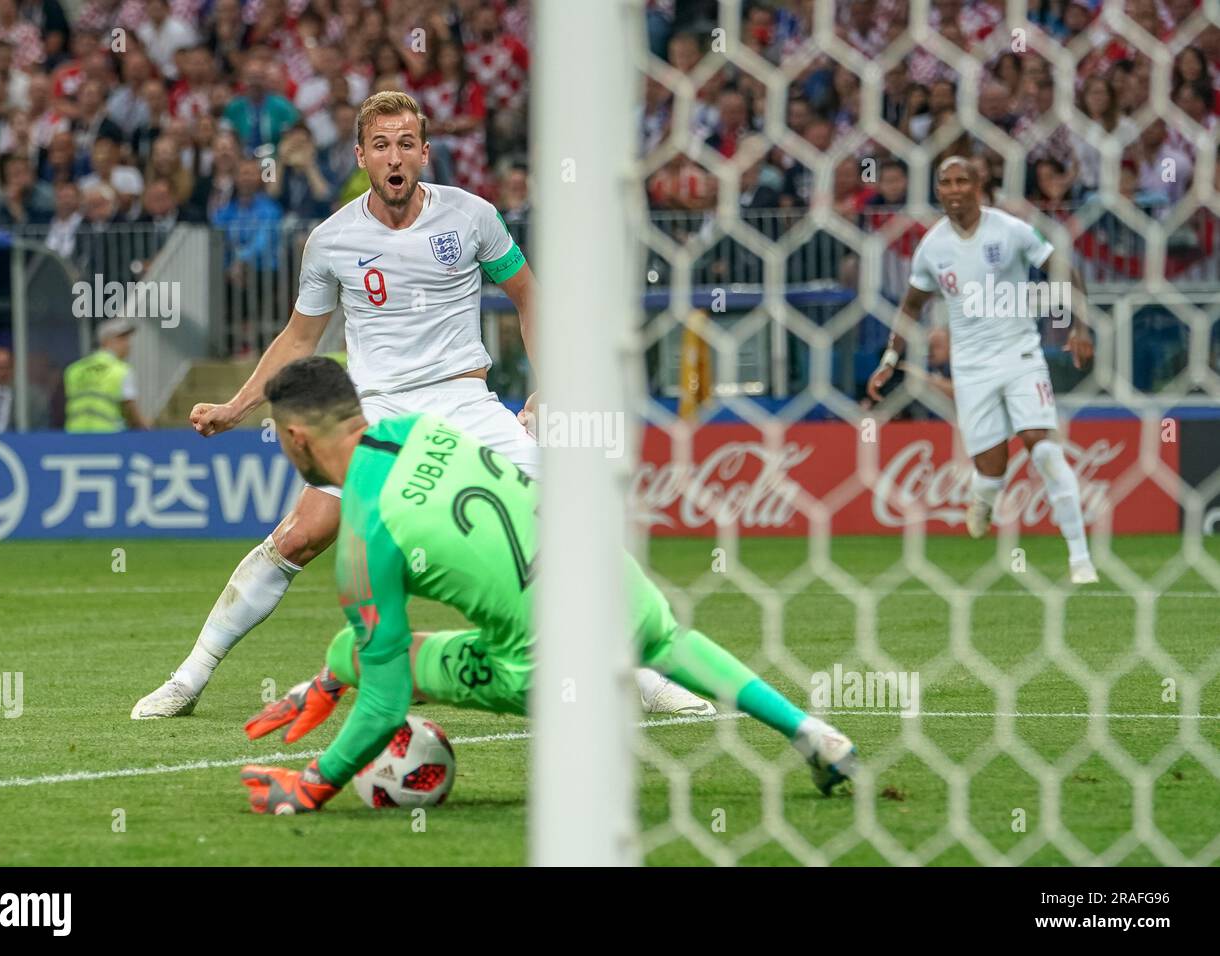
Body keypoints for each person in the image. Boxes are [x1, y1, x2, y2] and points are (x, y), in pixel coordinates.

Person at [132, 90, 712, 721]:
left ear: (425, 153)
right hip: (375, 411)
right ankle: (188, 677)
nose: (395, 156)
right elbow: (300, 337)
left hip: (465, 401)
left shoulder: (474, 217)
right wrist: (237, 405)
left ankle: (644, 674)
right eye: (381, 145)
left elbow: (528, 296)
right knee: (302, 536)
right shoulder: (330, 241)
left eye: (406, 143)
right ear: (362, 156)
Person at [237, 356, 858, 814]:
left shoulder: (363, 539)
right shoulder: (426, 430)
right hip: (610, 580)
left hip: (544, 666)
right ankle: (810, 733)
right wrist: (330, 679)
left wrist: (311, 786)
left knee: (366, 653)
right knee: (666, 639)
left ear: (295, 438)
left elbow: (385, 701)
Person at [865, 157, 1098, 584]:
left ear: (978, 185)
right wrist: (889, 361)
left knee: (1041, 446)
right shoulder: (933, 247)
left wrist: (1079, 326)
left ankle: (1080, 560)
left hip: (1021, 355)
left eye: (961, 181)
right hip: (970, 369)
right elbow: (911, 307)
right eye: (945, 183)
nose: (953, 189)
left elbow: (1061, 268)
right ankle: (984, 497)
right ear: (937, 190)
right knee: (992, 467)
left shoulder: (1010, 230)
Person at [62, 316, 149, 432]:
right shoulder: (121, 370)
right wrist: (145, 429)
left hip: (74, 436)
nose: (128, 345)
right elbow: (129, 408)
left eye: (127, 339)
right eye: (121, 339)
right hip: (108, 436)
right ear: (105, 341)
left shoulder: (74, 369)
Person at [0, 346, 50, 433]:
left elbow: (41, 428)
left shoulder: (32, 396)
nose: (0, 373)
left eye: (4, 367)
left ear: (13, 368)